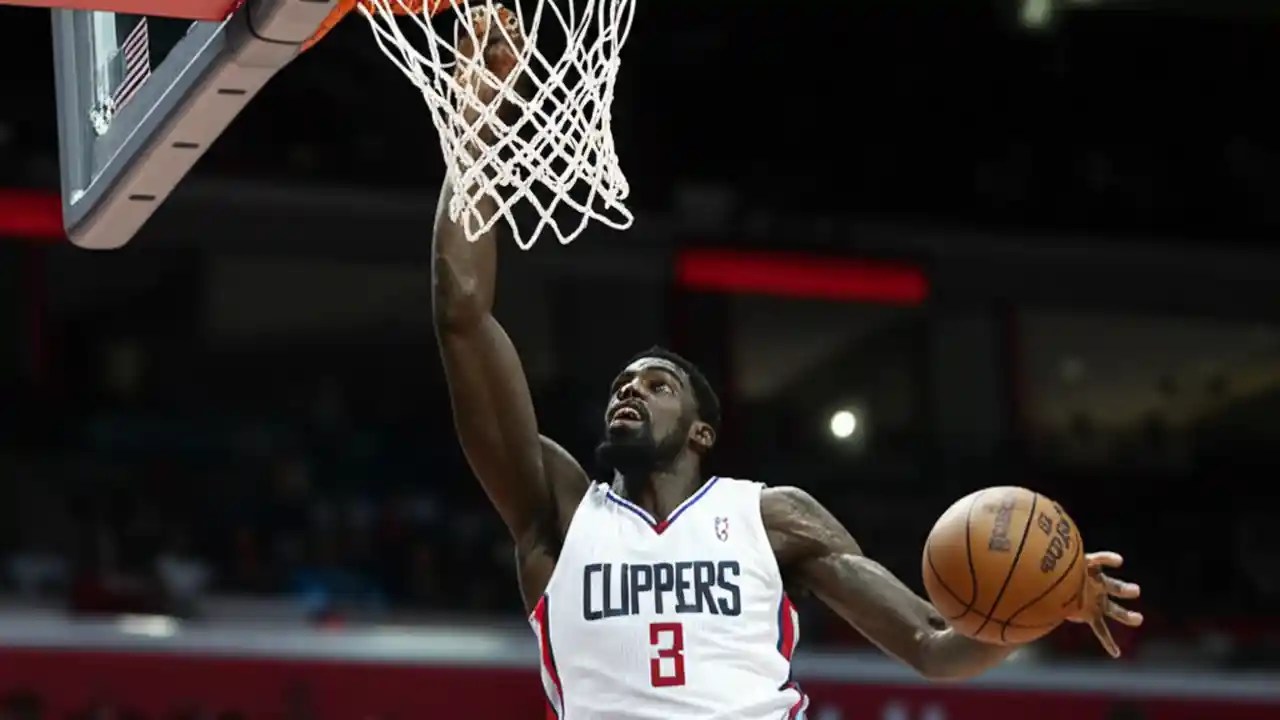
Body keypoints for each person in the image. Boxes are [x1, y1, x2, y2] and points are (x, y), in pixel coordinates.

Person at [431, 7, 1142, 719]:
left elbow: (932, 642)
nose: (631, 391)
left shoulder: (772, 517)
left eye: (658, 384)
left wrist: (1039, 607)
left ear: (702, 431)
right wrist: (475, 117)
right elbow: (462, 315)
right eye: (623, 383)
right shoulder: (556, 508)